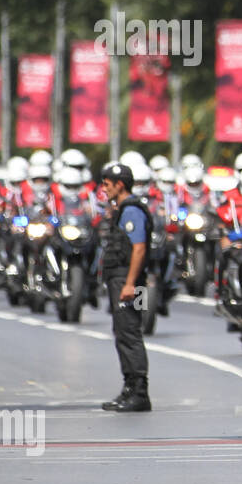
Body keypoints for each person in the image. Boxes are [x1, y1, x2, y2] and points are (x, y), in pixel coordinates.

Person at [98, 163, 152, 412]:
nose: (104, 189)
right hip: (124, 281)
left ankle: (139, 393)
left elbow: (138, 248)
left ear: (120, 185)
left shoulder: (132, 210)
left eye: (107, 184)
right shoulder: (120, 210)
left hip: (130, 283)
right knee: (124, 333)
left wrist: (130, 284)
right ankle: (129, 389)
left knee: (130, 334)